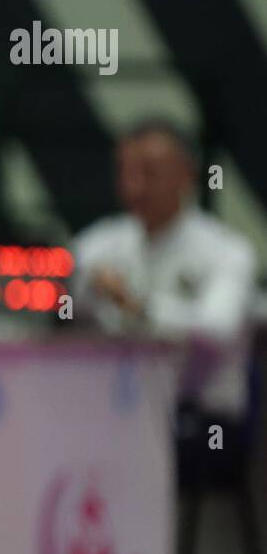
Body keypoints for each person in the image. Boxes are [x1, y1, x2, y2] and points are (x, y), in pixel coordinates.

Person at [72, 119, 257, 418]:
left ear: (187, 176)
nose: (135, 186)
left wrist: (136, 307)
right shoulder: (98, 244)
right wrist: (90, 291)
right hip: (119, 413)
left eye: (149, 172)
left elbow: (216, 330)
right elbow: (65, 303)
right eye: (126, 172)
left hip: (202, 419)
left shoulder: (227, 251)